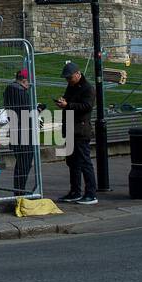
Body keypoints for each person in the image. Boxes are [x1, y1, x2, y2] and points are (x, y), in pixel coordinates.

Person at [55, 62, 97, 205]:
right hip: (70, 129)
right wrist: (63, 101)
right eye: (66, 78)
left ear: (78, 74)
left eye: (70, 77)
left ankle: (91, 193)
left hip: (80, 130)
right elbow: (68, 100)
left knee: (85, 162)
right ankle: (75, 191)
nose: (68, 80)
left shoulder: (88, 88)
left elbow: (87, 106)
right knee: (72, 162)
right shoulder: (71, 86)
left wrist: (68, 105)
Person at [1, 67, 35, 194]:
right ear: (24, 81)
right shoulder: (20, 92)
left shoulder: (9, 90)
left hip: (16, 131)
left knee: (21, 163)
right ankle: (20, 192)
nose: (29, 87)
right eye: (28, 84)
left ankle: (19, 190)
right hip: (24, 133)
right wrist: (39, 110)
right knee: (24, 164)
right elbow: (27, 115)